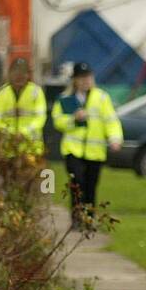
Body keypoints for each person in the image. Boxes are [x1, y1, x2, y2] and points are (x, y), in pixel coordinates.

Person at [51, 62, 121, 229]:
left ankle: (89, 219)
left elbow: (111, 120)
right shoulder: (66, 99)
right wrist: (73, 119)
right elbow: (58, 122)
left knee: (91, 186)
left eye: (88, 77)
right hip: (73, 149)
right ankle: (76, 218)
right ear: (75, 80)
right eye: (81, 78)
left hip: (94, 151)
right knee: (77, 183)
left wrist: (115, 138)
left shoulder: (101, 97)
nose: (85, 81)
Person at [0, 57, 47, 156]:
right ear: (10, 74)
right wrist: (9, 133)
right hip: (8, 148)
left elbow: (40, 118)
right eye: (16, 72)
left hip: (31, 147)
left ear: (28, 75)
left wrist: (23, 133)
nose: (19, 76)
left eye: (23, 72)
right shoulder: (3, 92)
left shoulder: (36, 92)